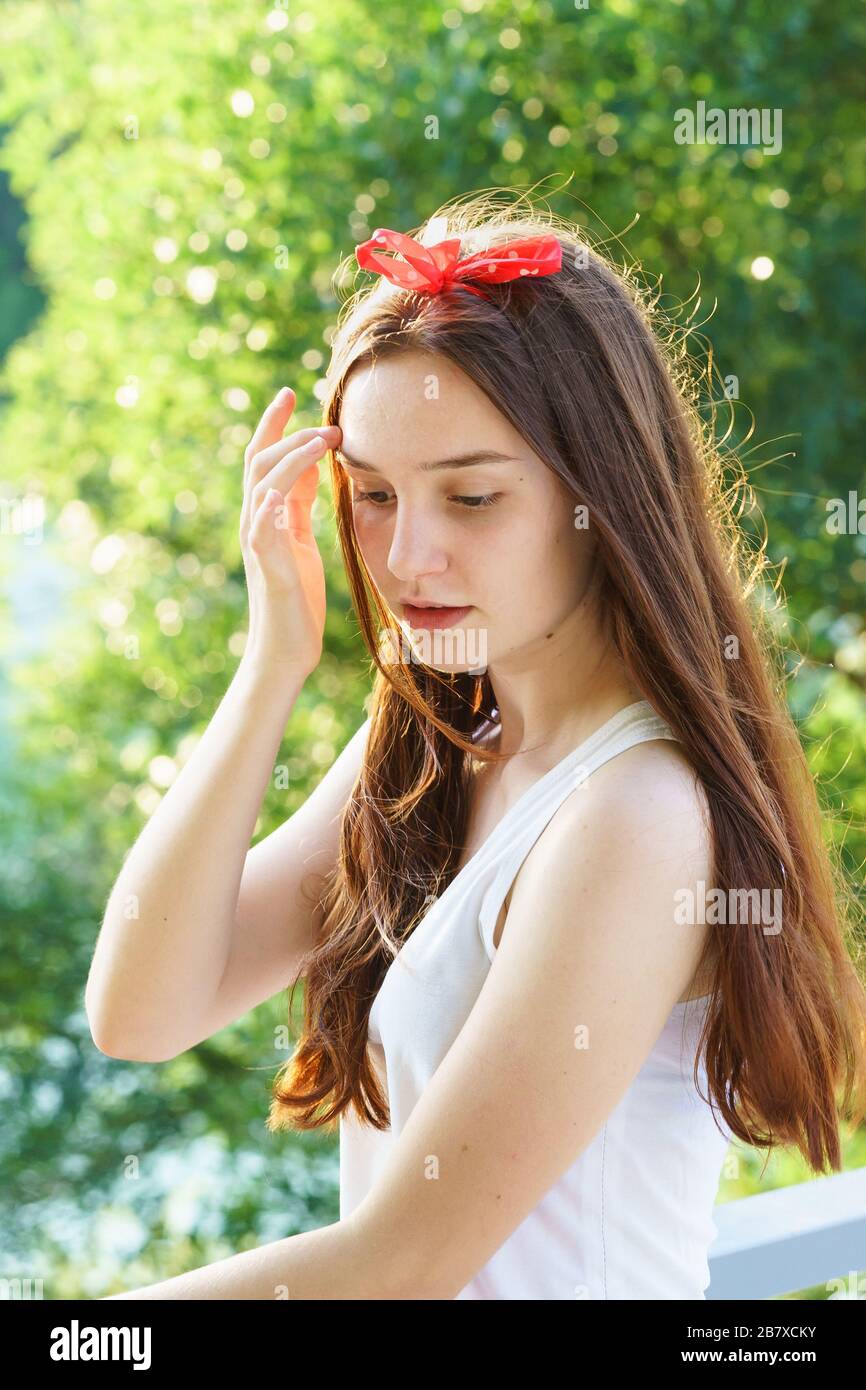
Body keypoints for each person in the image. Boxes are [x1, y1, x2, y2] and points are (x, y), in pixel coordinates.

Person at [91, 192, 866, 1300]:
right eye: (369, 495)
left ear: (599, 492)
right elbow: (141, 1012)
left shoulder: (632, 815)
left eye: (470, 496)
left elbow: (400, 1260)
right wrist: (270, 670)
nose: (408, 554)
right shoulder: (439, 745)